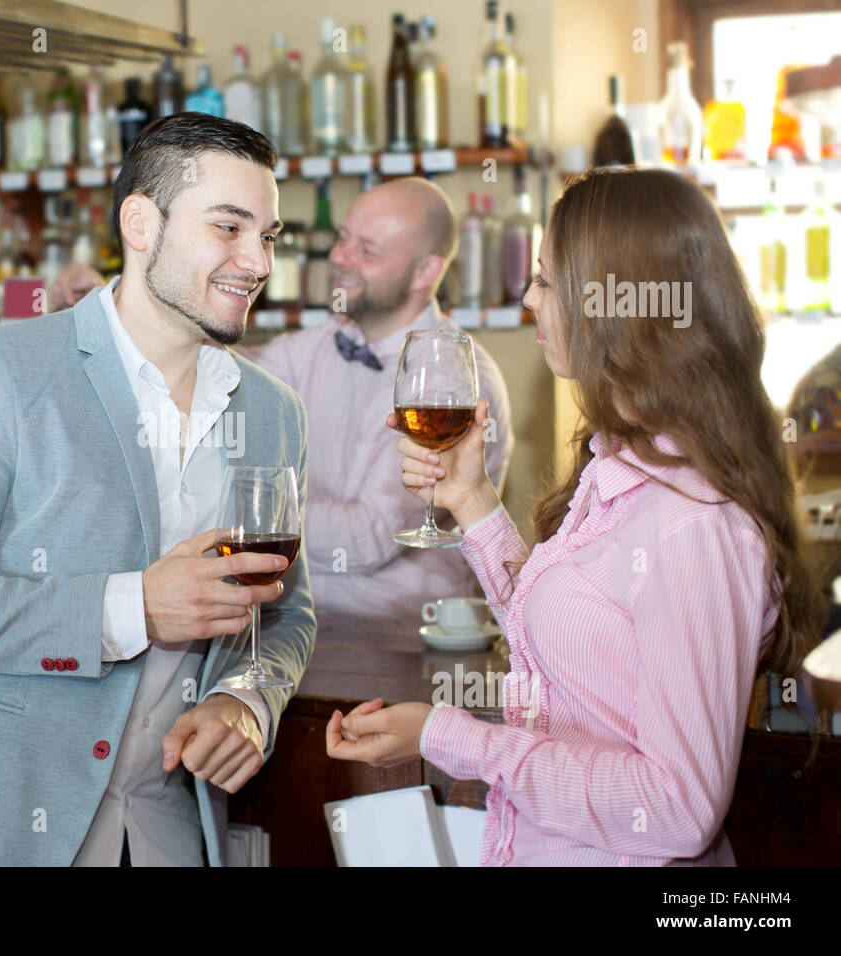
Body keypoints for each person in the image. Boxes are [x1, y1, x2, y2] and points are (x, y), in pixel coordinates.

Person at [327, 167, 825, 865]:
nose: (528, 300)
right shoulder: (619, 465)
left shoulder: (694, 526)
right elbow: (568, 646)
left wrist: (453, 737)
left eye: (546, 282)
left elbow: (675, 809)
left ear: (619, 305)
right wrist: (471, 499)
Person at [0, 114, 315, 866]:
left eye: (267, 236)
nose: (256, 261)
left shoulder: (272, 413)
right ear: (141, 222)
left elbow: (288, 610)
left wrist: (248, 701)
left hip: (166, 833)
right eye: (228, 228)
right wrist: (133, 607)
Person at [242, 178, 512, 628]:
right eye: (343, 238)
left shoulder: (456, 380)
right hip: (296, 632)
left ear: (425, 272)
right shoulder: (319, 345)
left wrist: (248, 506)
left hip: (406, 643)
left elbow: (366, 538)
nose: (338, 259)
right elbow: (227, 370)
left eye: (367, 251)